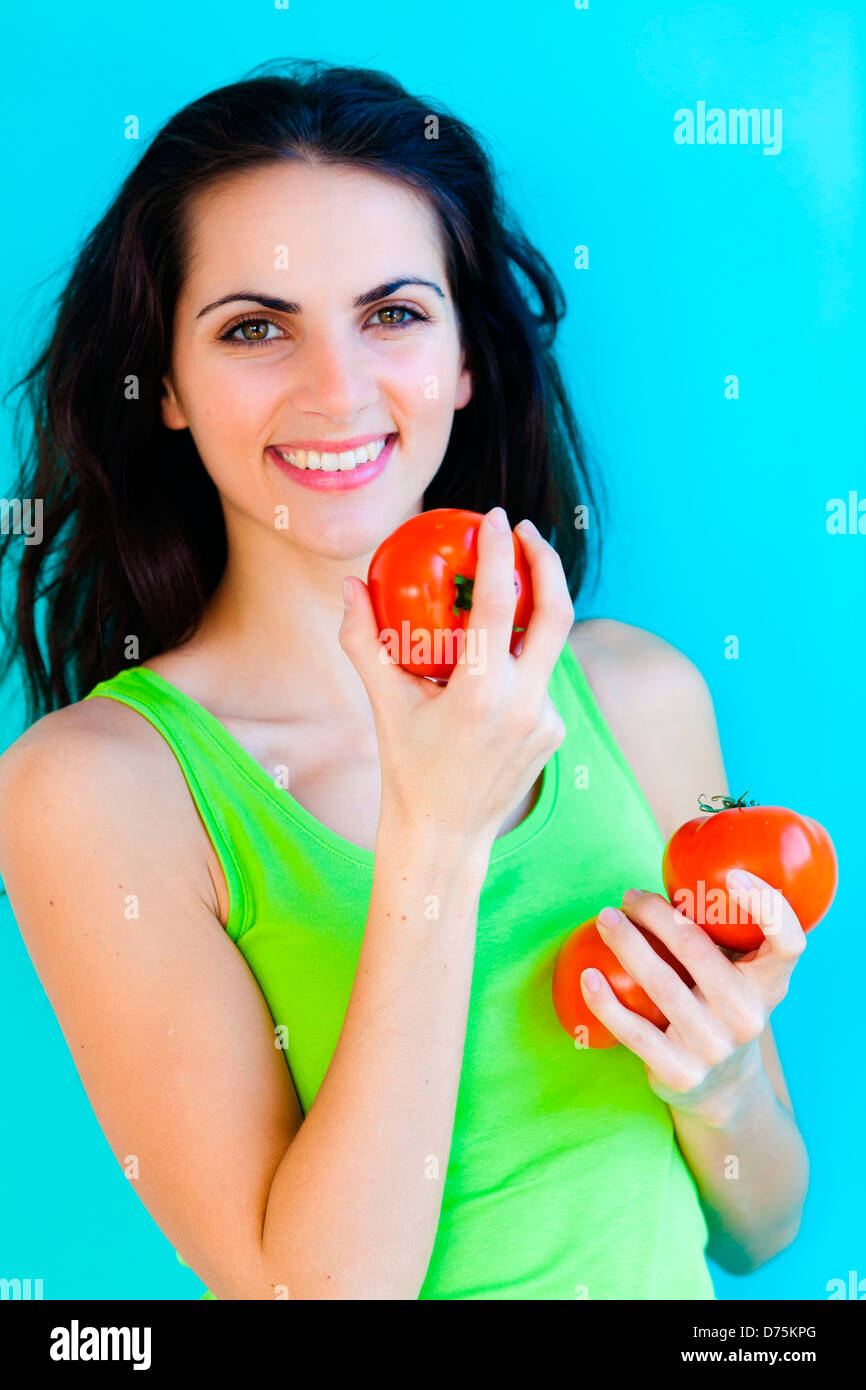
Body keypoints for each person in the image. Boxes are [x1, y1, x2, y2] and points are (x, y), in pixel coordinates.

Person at [0, 58, 809, 1300]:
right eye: (255, 328)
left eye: (392, 314)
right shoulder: (98, 788)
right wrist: (435, 832)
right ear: (161, 383)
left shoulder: (638, 697)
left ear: (466, 358)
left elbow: (755, 1233)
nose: (338, 390)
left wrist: (718, 1079)